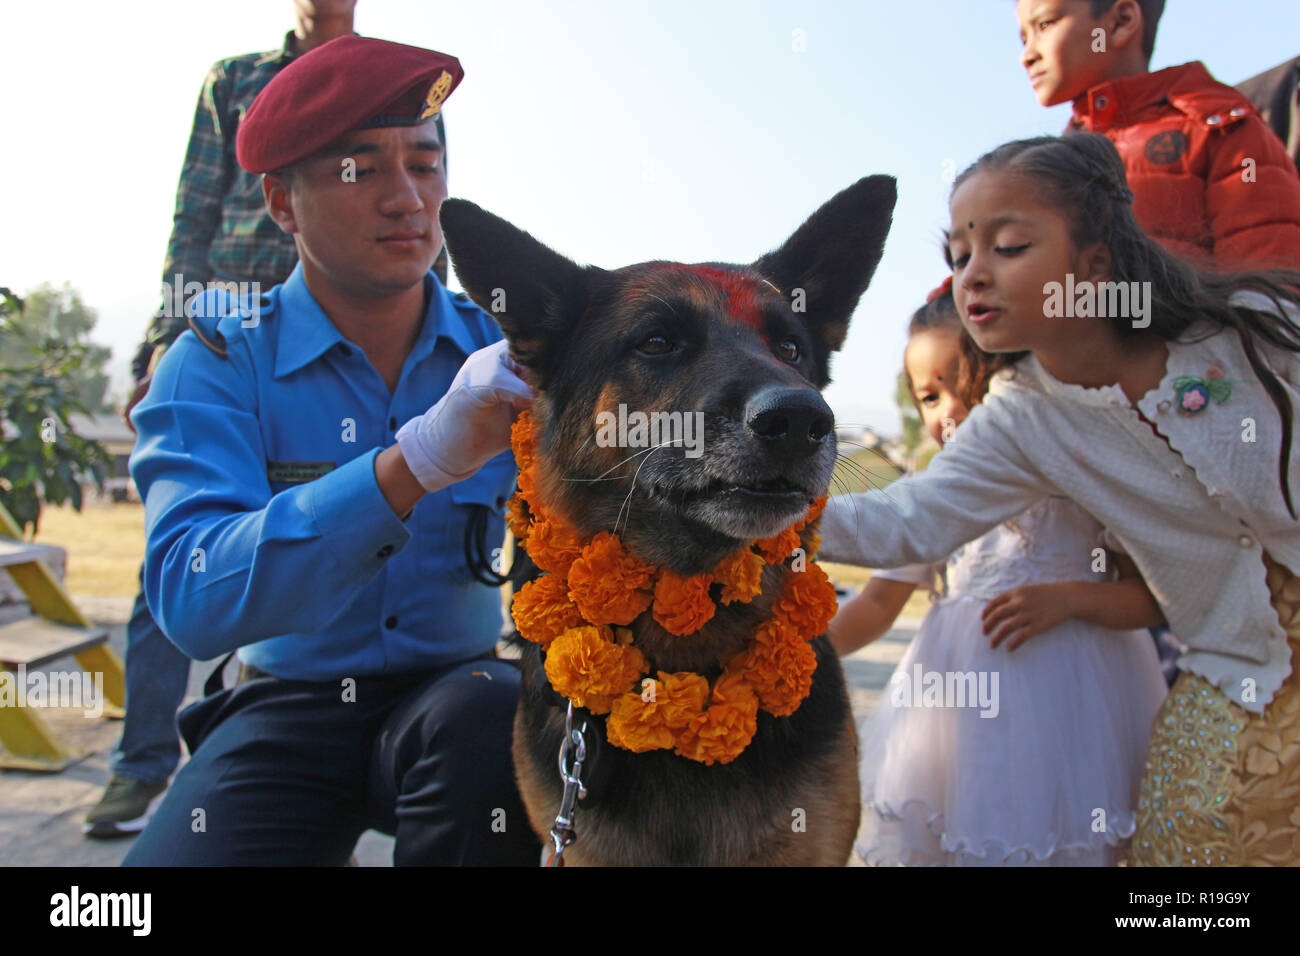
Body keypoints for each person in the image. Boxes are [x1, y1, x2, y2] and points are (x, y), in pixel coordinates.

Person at [818, 132, 1300, 866]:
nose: (972, 276)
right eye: (958, 257)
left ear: (1094, 262)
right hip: (1238, 673)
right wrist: (736, 500)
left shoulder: (1255, 332)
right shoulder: (1021, 417)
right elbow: (904, 520)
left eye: (1008, 247)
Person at [121, 36, 539, 866]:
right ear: (281, 202)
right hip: (288, 705)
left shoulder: (510, 356)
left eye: (424, 166)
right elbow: (193, 597)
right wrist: (412, 464)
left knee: (496, 716)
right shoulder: (214, 364)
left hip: (456, 699)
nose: (406, 201)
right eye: (360, 170)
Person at [87, 0, 369, 838]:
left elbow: (418, 211)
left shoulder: (392, 82)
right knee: (181, 559)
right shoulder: (235, 80)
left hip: (340, 347)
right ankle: (142, 766)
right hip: (230, 333)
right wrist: (167, 347)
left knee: (342, 529)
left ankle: (314, 764)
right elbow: (193, 215)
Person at [829, 283, 1167, 866]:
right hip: (957, 725)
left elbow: (1155, 599)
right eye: (929, 398)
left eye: (967, 388)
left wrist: (1071, 600)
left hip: (1078, 710)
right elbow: (878, 606)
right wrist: (785, 658)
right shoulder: (931, 498)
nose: (949, 412)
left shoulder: (1078, 480)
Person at [1016, 0, 1300, 269]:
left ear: (1120, 22)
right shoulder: (1037, 172)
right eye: (1024, 38)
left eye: (1044, 25)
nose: (1027, 56)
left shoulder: (1222, 131)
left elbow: (1265, 293)